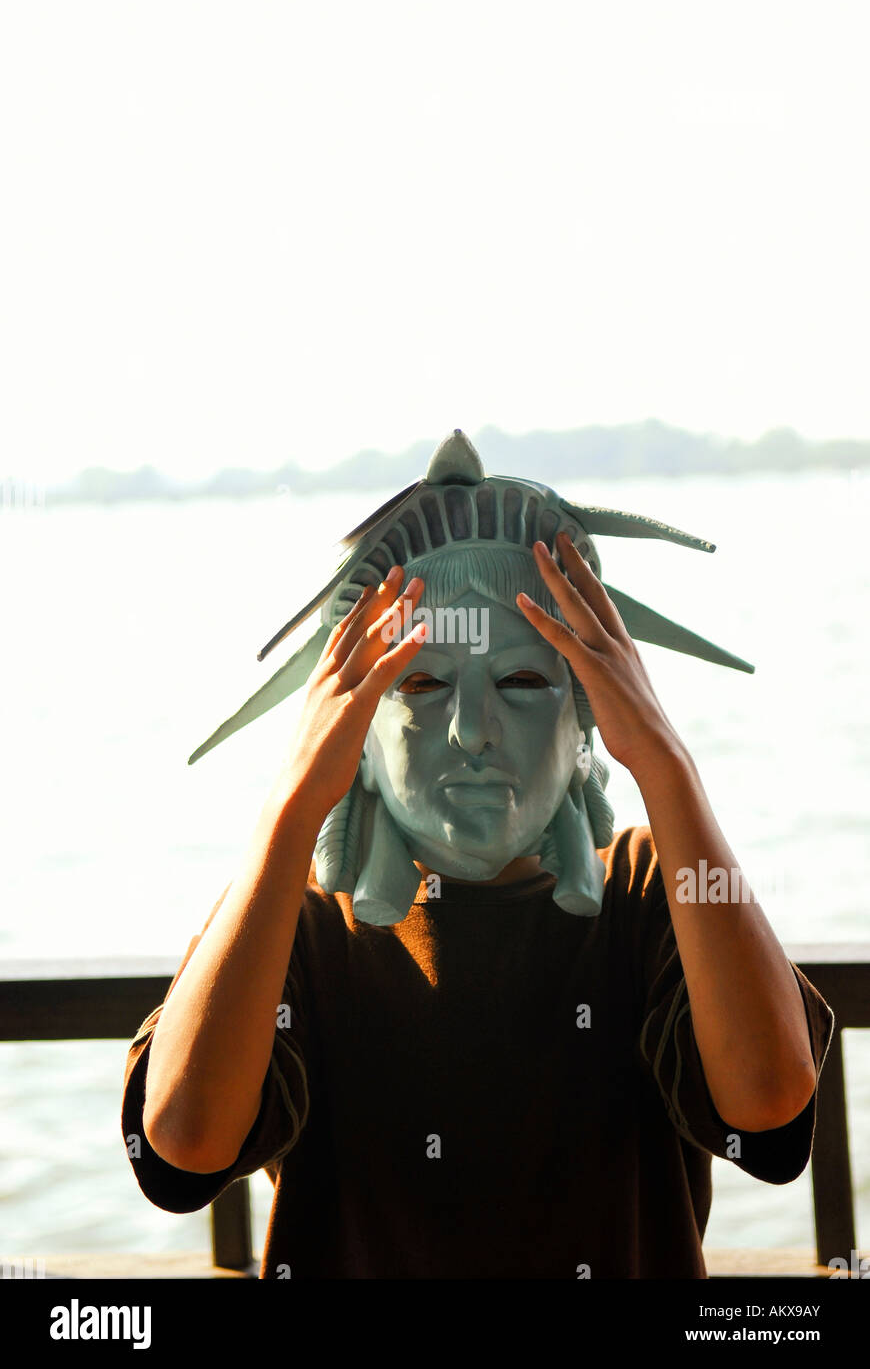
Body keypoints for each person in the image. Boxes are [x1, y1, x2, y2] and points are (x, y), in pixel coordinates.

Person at [121, 431, 834, 1278]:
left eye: (523, 683)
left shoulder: (652, 892)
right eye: (419, 685)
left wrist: (669, 770)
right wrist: (291, 807)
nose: (471, 732)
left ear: (587, 722)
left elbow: (771, 1111)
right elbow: (183, 1151)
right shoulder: (298, 922)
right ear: (351, 738)